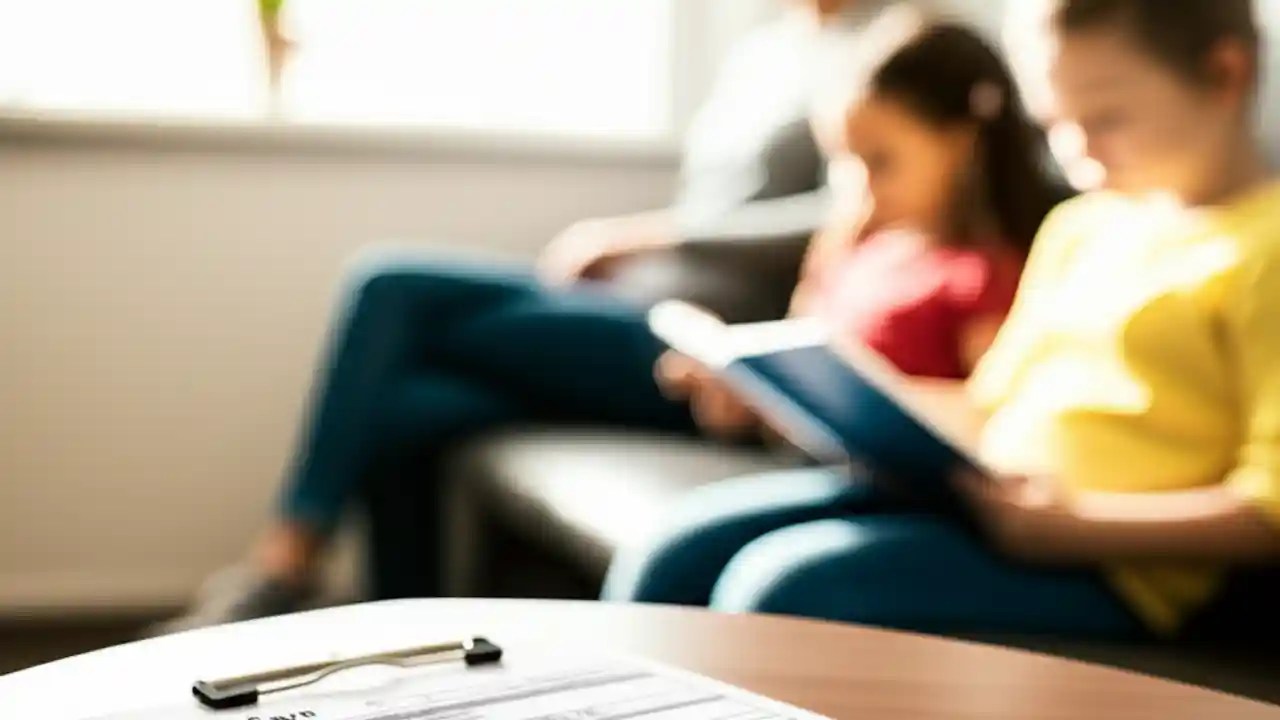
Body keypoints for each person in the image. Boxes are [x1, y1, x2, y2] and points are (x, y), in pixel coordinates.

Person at [162, 6, 1058, 630]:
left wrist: (662, 248)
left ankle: (283, 562)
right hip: (717, 364)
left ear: (965, 140)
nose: (856, 190)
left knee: (396, 293)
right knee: (414, 407)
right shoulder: (810, 136)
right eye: (846, 169)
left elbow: (982, 409)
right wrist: (753, 384)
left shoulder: (970, 248)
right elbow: (810, 322)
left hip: (749, 374)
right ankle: (406, 642)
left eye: (876, 165)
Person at [606, 0, 1280, 641]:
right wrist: (800, 399)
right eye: (1054, 123)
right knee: (678, 550)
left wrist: (1073, 525)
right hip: (986, 506)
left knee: (783, 589)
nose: (1075, 152)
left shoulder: (1266, 249)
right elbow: (988, 406)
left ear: (1226, 74)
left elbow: (1270, 506)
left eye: (1105, 119)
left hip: (1111, 564)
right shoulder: (1082, 227)